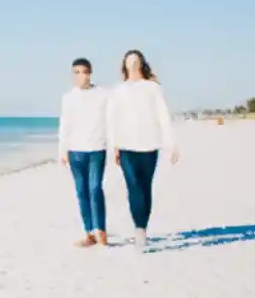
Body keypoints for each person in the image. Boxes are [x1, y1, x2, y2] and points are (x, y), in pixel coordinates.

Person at [106, 49, 179, 250]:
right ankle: (138, 229)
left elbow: (163, 116)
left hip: (150, 145)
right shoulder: (117, 90)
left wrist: (171, 144)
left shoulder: (153, 88)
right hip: (126, 145)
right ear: (124, 65)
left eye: (135, 59)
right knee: (133, 186)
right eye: (129, 59)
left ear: (141, 63)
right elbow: (112, 120)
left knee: (145, 188)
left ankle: (142, 228)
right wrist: (114, 146)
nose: (132, 62)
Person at [58, 57, 110, 247]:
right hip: (75, 151)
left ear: (90, 73)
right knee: (81, 192)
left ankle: (101, 230)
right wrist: (62, 150)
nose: (81, 76)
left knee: (95, 188)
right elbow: (65, 124)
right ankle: (89, 233)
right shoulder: (68, 97)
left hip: (97, 149)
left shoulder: (103, 94)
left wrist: (114, 145)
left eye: (84, 72)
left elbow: (111, 120)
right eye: (76, 72)